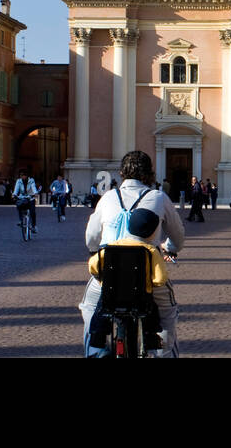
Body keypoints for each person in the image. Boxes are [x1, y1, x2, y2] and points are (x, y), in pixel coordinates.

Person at [80, 150, 185, 357]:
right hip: (148, 276)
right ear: (150, 173)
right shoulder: (158, 197)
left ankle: (94, 351)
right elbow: (178, 236)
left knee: (90, 307)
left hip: (107, 276)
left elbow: (91, 237)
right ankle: (164, 353)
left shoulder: (108, 197)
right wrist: (170, 248)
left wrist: (96, 250)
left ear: (121, 173)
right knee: (168, 312)